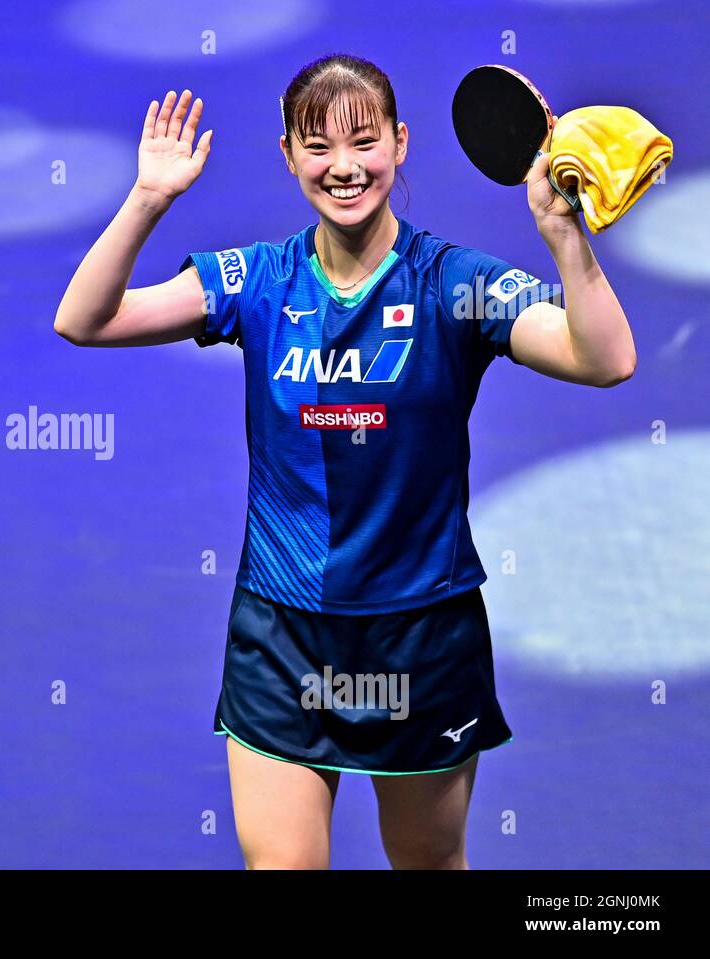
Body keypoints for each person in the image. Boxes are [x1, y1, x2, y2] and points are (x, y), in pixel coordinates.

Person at [54, 54, 635, 869]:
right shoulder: (255, 279)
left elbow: (605, 358)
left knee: (428, 865)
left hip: (420, 632)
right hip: (282, 632)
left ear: (400, 144)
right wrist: (149, 198)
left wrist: (561, 232)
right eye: (317, 146)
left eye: (364, 141)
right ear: (288, 156)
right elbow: (85, 318)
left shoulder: (454, 284)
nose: (344, 166)